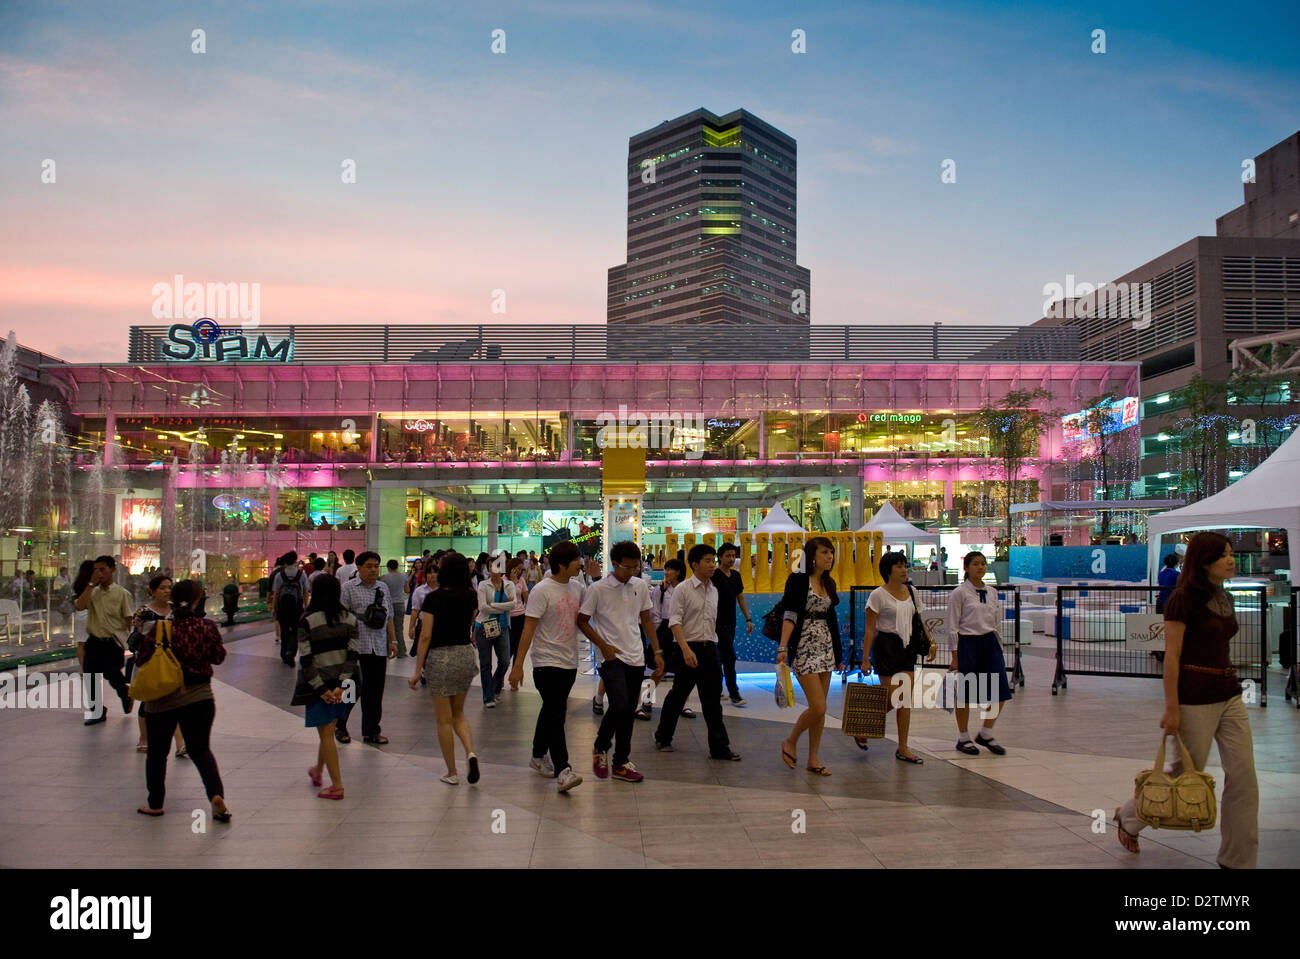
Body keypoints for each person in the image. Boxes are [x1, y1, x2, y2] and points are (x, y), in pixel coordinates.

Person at [1114, 532, 1258, 868]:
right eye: (1223, 554)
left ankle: (1239, 859)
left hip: (1230, 693)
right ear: (1204, 560)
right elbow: (1173, 657)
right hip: (1195, 696)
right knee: (1183, 771)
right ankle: (1129, 817)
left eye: (1231, 553)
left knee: (1244, 776)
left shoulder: (1224, 597)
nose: (1231, 559)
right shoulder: (1183, 599)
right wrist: (1171, 707)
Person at [134, 579, 231, 823]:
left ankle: (155, 804)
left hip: (163, 699)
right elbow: (218, 657)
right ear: (197, 600)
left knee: (157, 754)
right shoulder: (206, 627)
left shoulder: (162, 629)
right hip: (199, 697)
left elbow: (142, 658)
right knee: (201, 751)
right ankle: (216, 796)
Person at [579, 541, 664, 783]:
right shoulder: (598, 589)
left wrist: (657, 651)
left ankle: (621, 762)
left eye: (636, 567)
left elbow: (646, 619)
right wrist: (602, 645)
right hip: (611, 658)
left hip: (636, 656)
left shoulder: (640, 585)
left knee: (628, 712)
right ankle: (601, 745)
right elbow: (582, 620)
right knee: (619, 705)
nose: (633, 571)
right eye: (628, 567)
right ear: (614, 564)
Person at [508, 541, 586, 793]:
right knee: (556, 712)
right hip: (545, 662)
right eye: (576, 559)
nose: (581, 563)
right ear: (562, 564)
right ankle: (564, 768)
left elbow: (587, 615)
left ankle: (537, 754)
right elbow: (528, 629)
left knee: (553, 711)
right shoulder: (542, 590)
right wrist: (517, 666)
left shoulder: (577, 587)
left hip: (569, 661)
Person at [653, 544, 742, 762]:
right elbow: (675, 621)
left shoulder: (714, 590)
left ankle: (720, 747)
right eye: (708, 561)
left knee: (712, 700)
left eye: (713, 560)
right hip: (686, 648)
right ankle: (663, 737)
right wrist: (685, 649)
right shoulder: (682, 589)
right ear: (695, 564)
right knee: (678, 696)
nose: (713, 565)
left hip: (710, 649)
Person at [408, 550, 481, 785]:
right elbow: (469, 624)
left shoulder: (433, 599)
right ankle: (470, 752)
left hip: (440, 658)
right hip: (464, 656)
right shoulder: (470, 596)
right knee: (458, 713)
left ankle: (451, 772)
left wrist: (418, 670)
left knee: (443, 720)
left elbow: (426, 636)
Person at [776, 536, 844, 775]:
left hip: (825, 647)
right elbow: (791, 613)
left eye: (831, 553)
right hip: (804, 645)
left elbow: (832, 619)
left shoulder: (829, 582)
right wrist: (783, 646)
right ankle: (791, 740)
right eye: (825, 552)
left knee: (821, 710)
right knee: (818, 706)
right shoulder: (797, 579)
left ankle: (813, 758)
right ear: (812, 556)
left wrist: (838, 653)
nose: (829, 557)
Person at [865, 551, 936, 763]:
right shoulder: (877, 595)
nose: (904, 570)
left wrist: (930, 641)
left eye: (904, 565)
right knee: (891, 697)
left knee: (904, 700)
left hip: (908, 646)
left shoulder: (912, 592)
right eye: (898, 566)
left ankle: (903, 747)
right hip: (886, 646)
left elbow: (919, 619)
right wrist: (865, 659)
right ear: (888, 570)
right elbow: (870, 629)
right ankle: (866, 726)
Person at [293, 575, 359, 800]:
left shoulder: (307, 620)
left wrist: (321, 689)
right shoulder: (350, 618)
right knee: (329, 729)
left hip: (320, 685)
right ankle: (318, 770)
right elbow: (353, 655)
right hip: (346, 685)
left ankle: (337, 785)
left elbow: (306, 659)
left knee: (326, 733)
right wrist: (342, 685)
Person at [947, 551, 1012, 756]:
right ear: (966, 567)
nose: (980, 567)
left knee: (1000, 690)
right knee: (965, 693)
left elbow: (996, 621)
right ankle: (963, 737)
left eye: (983, 564)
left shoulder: (992, 592)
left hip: (990, 642)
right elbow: (952, 625)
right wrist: (955, 655)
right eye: (975, 564)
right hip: (968, 643)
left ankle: (986, 732)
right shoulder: (960, 593)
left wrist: (999, 646)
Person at [339, 552, 397, 745]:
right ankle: (340, 725)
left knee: (375, 691)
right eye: (369, 566)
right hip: (356, 648)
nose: (373, 570)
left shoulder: (383, 588)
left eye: (376, 566)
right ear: (359, 568)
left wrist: (393, 641)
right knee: (351, 689)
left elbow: (388, 617)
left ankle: (371, 730)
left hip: (378, 647)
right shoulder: (348, 588)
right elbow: (341, 619)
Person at [127, 574, 185, 757]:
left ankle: (180, 743)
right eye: (162, 588)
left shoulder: (176, 611)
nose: (167, 591)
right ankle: (144, 738)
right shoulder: (143, 612)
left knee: (173, 702)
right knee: (147, 701)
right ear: (152, 591)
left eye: (169, 587)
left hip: (170, 662)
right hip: (148, 662)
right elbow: (134, 637)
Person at [75, 555, 134, 726]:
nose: (99, 573)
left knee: (111, 672)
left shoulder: (122, 594)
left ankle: (124, 693)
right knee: (90, 675)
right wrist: (91, 584)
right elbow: (79, 606)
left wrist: (127, 642)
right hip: (94, 640)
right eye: (96, 570)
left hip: (113, 642)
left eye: (102, 569)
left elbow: (128, 619)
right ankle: (97, 711)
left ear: (112, 569)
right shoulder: (92, 592)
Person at [641, 558, 692, 720]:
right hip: (665, 631)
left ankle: (683, 704)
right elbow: (654, 612)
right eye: (666, 569)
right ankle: (646, 701)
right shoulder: (660, 590)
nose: (667, 572)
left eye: (670, 569)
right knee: (659, 670)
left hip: (682, 632)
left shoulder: (686, 589)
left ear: (679, 572)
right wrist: (658, 633)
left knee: (683, 671)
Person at [712, 542, 754, 707]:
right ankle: (734, 693)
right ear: (720, 557)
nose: (731, 559)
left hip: (731, 622)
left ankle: (716, 688)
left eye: (733, 555)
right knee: (728, 657)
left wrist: (748, 618)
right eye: (727, 556)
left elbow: (740, 597)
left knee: (721, 657)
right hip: (715, 623)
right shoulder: (714, 576)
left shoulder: (736, 576)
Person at [475, 556, 516, 707]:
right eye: (492, 566)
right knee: (486, 664)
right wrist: (503, 604)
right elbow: (482, 608)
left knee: (505, 661)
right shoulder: (483, 585)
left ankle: (493, 687)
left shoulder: (509, 584)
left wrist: (493, 604)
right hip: (483, 626)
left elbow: (513, 605)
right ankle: (488, 697)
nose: (495, 570)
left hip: (502, 627)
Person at [271, 551, 308, 667]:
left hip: (283, 608)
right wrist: (305, 607)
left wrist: (274, 608)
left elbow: (276, 594)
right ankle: (291, 652)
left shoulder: (279, 575)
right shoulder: (301, 574)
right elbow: (306, 592)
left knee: (285, 631)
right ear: (295, 560)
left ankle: (284, 653)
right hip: (297, 608)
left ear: (285, 562)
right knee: (296, 632)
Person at [381, 559, 410, 656]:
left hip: (388, 605)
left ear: (388, 567)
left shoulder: (384, 578)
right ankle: (401, 652)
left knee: (388, 629)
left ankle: (389, 651)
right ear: (397, 566)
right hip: (400, 604)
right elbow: (407, 590)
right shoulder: (404, 576)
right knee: (398, 629)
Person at [506, 556, 529, 664]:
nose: (519, 571)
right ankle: (501, 674)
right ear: (511, 567)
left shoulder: (522, 580)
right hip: (507, 617)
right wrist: (512, 582)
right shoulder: (503, 580)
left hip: (520, 615)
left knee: (518, 648)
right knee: (509, 647)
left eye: (521, 569)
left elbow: (526, 598)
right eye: (517, 568)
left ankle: (515, 672)